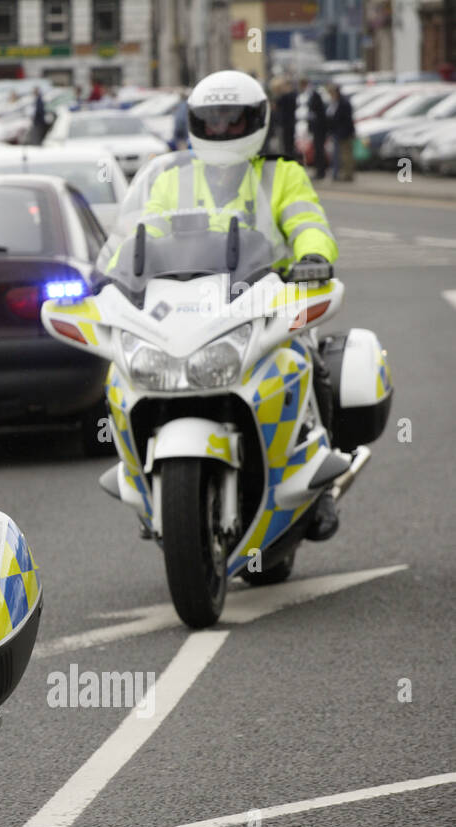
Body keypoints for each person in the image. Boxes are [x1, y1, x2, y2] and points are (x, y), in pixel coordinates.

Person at [106, 69, 345, 539]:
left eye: (231, 121)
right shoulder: (171, 177)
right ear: (195, 123)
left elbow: (307, 223)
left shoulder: (282, 174)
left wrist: (314, 256)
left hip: (268, 298)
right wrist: (115, 273)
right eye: (211, 121)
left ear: (255, 121)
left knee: (312, 363)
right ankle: (149, 484)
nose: (220, 131)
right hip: (187, 301)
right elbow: (143, 232)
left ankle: (322, 487)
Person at [327, 84, 355, 182]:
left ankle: (348, 175)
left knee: (346, 155)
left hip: (344, 133)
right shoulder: (334, 102)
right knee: (337, 155)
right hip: (336, 132)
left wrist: (346, 132)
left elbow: (347, 120)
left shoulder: (344, 103)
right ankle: (338, 174)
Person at [303, 78, 328, 180]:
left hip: (319, 131)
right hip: (316, 130)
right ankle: (319, 171)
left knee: (319, 151)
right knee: (317, 151)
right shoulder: (312, 96)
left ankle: (320, 172)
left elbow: (317, 115)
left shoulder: (315, 97)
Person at [275, 77, 297, 158]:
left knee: (286, 143)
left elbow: (277, 104)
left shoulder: (285, 96)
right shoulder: (294, 94)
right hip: (290, 121)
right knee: (289, 142)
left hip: (286, 122)